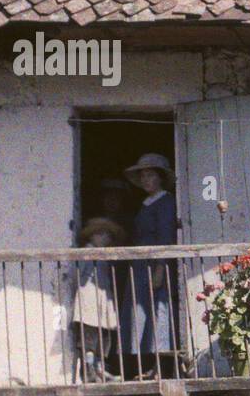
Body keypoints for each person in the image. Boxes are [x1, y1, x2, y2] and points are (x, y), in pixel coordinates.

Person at [120, 152, 179, 379]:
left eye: (150, 175)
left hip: (155, 263)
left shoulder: (165, 202)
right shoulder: (146, 203)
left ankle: (161, 368)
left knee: (158, 312)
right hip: (140, 266)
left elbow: (166, 236)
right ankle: (149, 366)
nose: (146, 180)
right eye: (143, 176)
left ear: (160, 178)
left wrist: (160, 268)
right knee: (142, 314)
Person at [72, 217, 125, 382]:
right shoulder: (87, 252)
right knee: (89, 338)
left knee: (103, 336)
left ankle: (100, 369)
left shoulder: (101, 254)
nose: (106, 239)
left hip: (101, 299)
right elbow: (78, 276)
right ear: (93, 236)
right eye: (102, 234)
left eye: (108, 235)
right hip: (90, 298)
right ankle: (88, 370)